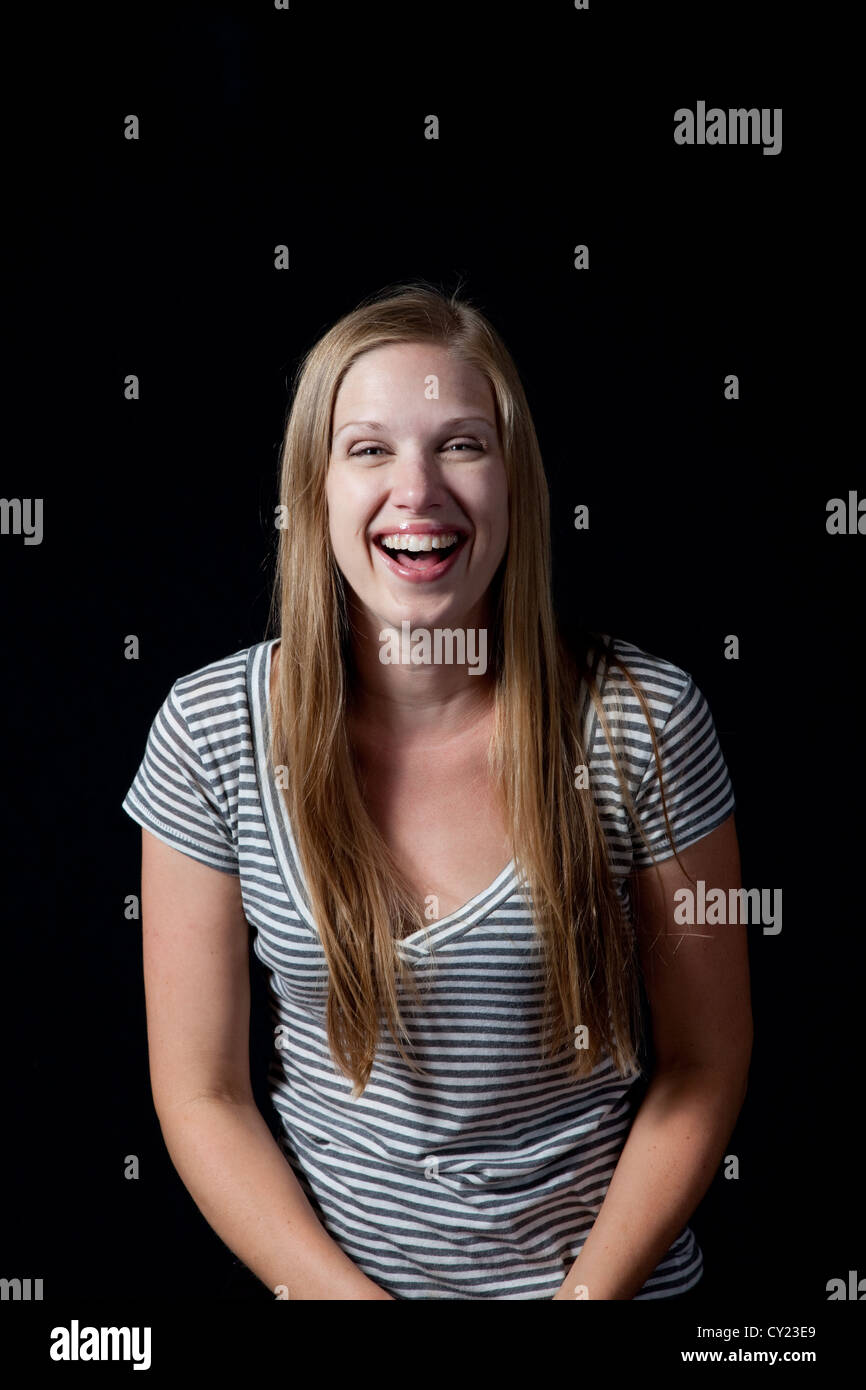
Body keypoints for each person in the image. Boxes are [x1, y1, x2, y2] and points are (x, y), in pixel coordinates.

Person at [121, 282, 752, 1300]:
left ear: (515, 485)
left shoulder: (640, 718)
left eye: (460, 444)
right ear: (313, 489)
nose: (416, 492)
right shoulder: (210, 730)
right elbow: (201, 1092)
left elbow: (704, 1061)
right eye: (368, 449)